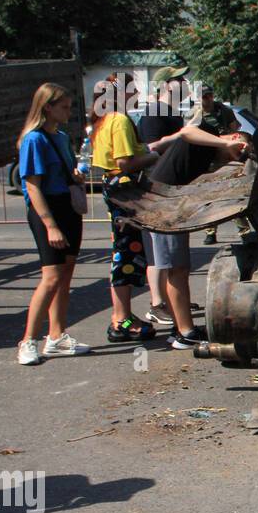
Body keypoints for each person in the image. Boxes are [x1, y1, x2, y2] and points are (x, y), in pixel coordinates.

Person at [146, 128, 250, 348]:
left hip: (166, 203)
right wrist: (225, 145)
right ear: (234, 139)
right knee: (178, 268)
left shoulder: (209, 153)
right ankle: (185, 333)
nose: (236, 159)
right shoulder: (207, 140)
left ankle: (180, 328)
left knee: (173, 267)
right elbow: (187, 131)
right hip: (165, 205)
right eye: (239, 152)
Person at [15, 83, 90, 365]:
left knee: (65, 275)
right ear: (47, 107)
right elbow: (32, 187)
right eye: (64, 107)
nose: (69, 112)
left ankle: (56, 336)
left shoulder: (60, 136)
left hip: (67, 207)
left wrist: (77, 175)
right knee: (51, 278)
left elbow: (65, 172)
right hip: (47, 209)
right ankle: (28, 341)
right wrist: (50, 225)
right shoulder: (34, 140)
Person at [91, 75, 161, 342]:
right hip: (124, 192)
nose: (136, 93)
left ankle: (123, 315)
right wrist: (154, 155)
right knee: (126, 255)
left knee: (124, 253)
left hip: (114, 190)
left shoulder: (104, 120)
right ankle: (121, 319)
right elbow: (124, 163)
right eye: (132, 89)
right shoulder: (119, 121)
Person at [139, 66, 187, 328]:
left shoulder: (170, 112)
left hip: (168, 186)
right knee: (158, 250)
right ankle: (157, 304)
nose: (185, 83)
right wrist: (183, 135)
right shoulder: (155, 112)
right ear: (166, 85)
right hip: (157, 186)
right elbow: (151, 149)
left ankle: (171, 299)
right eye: (179, 80)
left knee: (165, 252)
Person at [188, 86, 241, 245]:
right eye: (204, 96)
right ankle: (210, 231)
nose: (207, 99)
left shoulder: (222, 110)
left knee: (235, 193)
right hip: (208, 159)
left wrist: (229, 140)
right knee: (210, 196)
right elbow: (189, 133)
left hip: (225, 157)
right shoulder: (194, 113)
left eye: (209, 95)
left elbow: (234, 128)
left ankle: (243, 229)